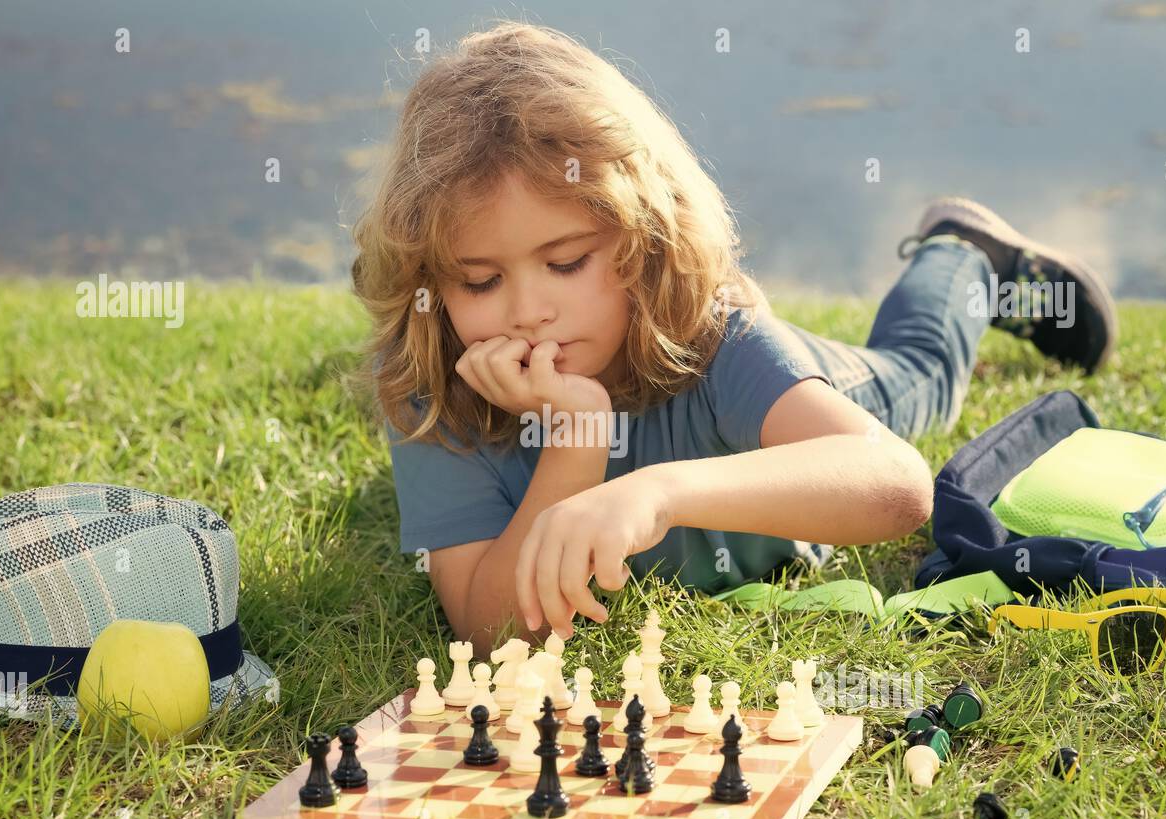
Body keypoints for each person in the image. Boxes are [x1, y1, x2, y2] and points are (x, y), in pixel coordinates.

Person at [350, 22, 1116, 657]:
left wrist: (659, 491)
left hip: (791, 384)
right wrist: (577, 441)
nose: (527, 311)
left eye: (565, 262)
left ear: (644, 237)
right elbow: (487, 637)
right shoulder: (430, 385)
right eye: (479, 281)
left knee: (921, 373)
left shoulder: (715, 338)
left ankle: (961, 252)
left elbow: (896, 487)